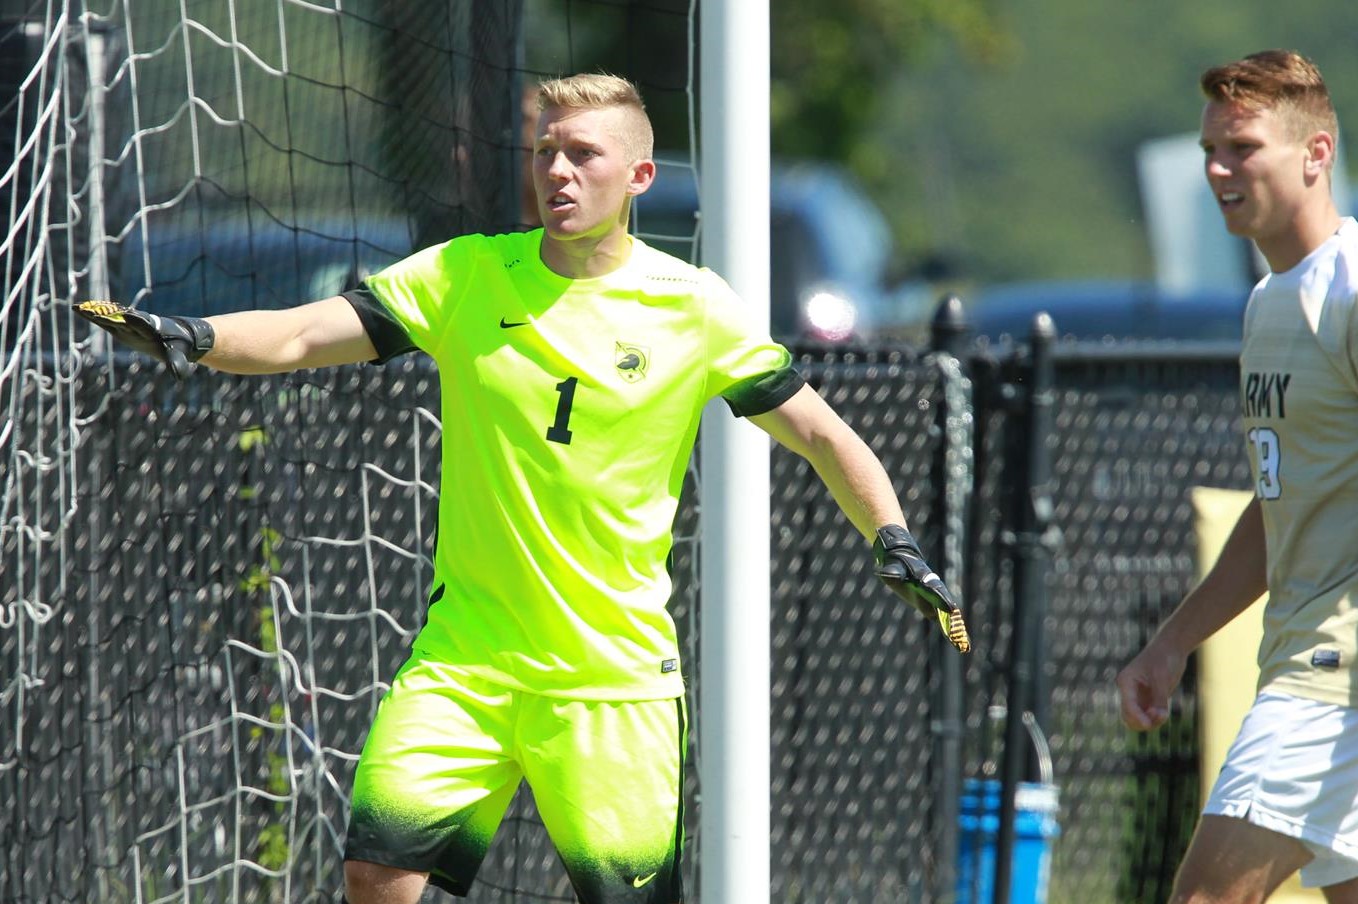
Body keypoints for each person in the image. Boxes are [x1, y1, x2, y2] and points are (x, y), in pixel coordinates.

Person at [76, 73, 969, 904]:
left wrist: (892, 537)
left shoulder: (694, 306)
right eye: (545, 150)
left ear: (639, 175)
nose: (557, 171)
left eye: (583, 154)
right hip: (465, 665)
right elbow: (307, 334)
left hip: (611, 681)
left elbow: (821, 432)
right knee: (375, 871)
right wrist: (197, 335)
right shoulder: (467, 273)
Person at [1114, 50, 1358, 904]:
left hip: (1347, 688)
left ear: (1316, 154)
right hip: (1343, 690)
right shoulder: (1270, 298)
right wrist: (1172, 644)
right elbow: (1280, 508)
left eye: (1242, 148)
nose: (1217, 168)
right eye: (1211, 148)